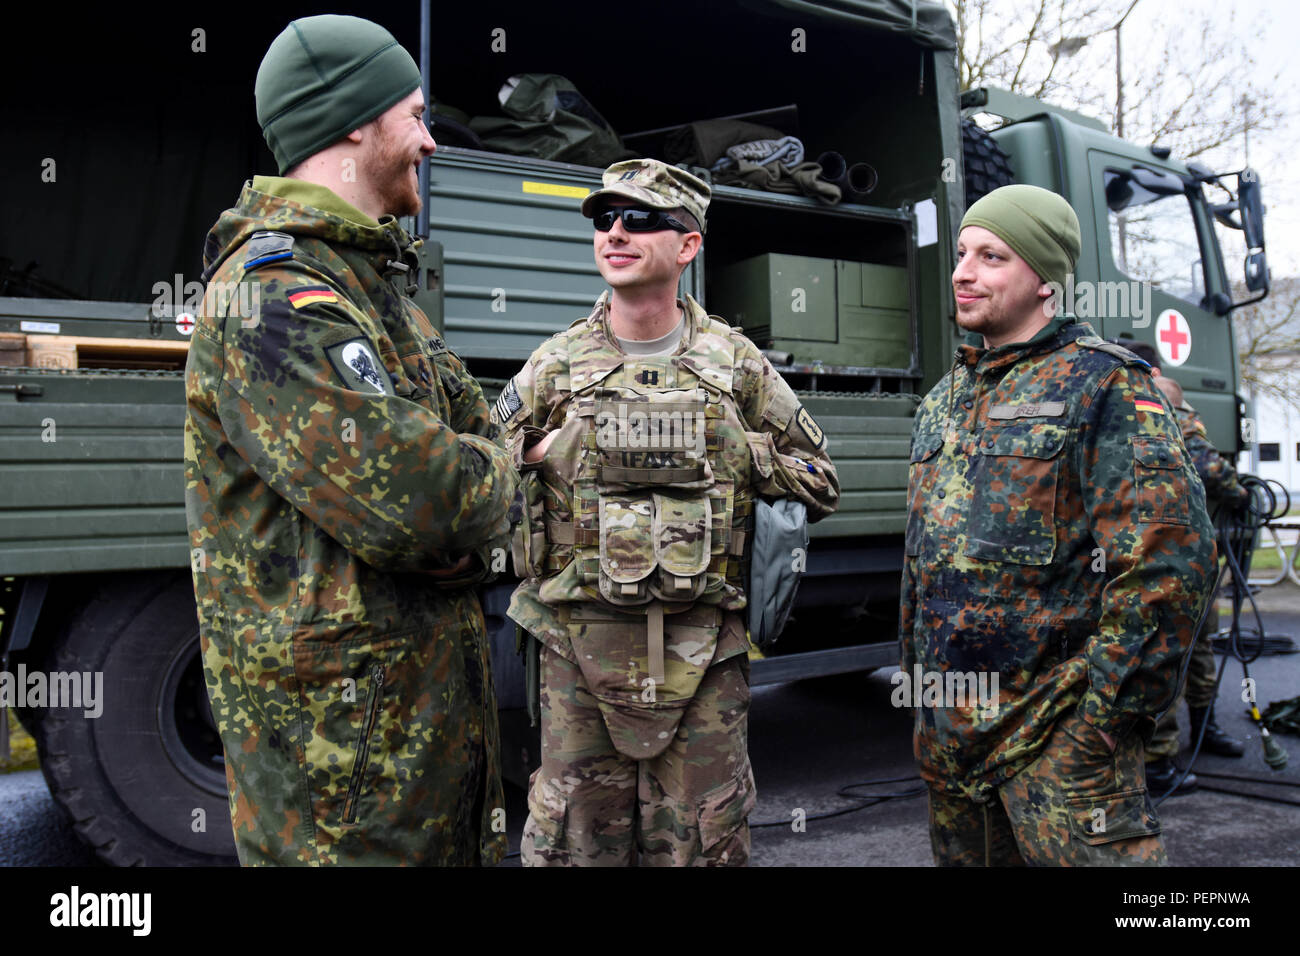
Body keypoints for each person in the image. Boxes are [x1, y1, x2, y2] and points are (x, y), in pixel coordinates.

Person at [184, 14, 520, 865]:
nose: (431, 142)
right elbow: (428, 501)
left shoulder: (373, 289)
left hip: (409, 762)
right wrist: (490, 489)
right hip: (344, 799)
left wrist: (471, 499)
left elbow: (469, 442)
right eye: (415, 115)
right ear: (354, 124)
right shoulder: (271, 298)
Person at [494, 159, 839, 866]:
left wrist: (739, 452)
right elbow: (482, 476)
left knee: (702, 840)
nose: (616, 233)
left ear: (688, 246)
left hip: (703, 649)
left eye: (642, 219)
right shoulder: (556, 366)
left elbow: (820, 478)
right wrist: (537, 453)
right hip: (574, 653)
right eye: (605, 220)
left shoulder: (735, 366)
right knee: (577, 842)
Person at [901, 184, 1217, 866]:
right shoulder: (942, 401)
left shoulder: (1105, 387)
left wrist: (1100, 722)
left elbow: (1170, 567)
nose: (963, 271)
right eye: (961, 253)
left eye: (992, 256)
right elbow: (921, 571)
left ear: (1045, 280)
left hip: (1058, 750)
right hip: (953, 745)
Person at [1119, 340, 1248, 792]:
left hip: (1147, 557)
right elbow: (1211, 469)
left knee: (1174, 649)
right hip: (1176, 558)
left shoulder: (1110, 401)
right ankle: (1159, 762)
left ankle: (1179, 746)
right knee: (1175, 651)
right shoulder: (1160, 407)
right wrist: (1241, 494)